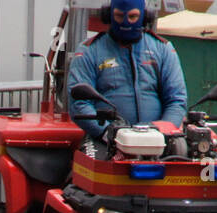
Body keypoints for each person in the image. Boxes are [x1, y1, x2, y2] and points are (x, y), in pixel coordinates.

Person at [68, 0, 187, 159]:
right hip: (104, 139)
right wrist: (108, 133)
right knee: (88, 172)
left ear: (145, 17)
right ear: (108, 14)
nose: (125, 22)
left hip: (158, 141)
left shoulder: (163, 49)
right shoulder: (89, 51)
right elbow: (79, 103)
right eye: (119, 16)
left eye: (132, 16)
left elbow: (177, 100)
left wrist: (162, 133)